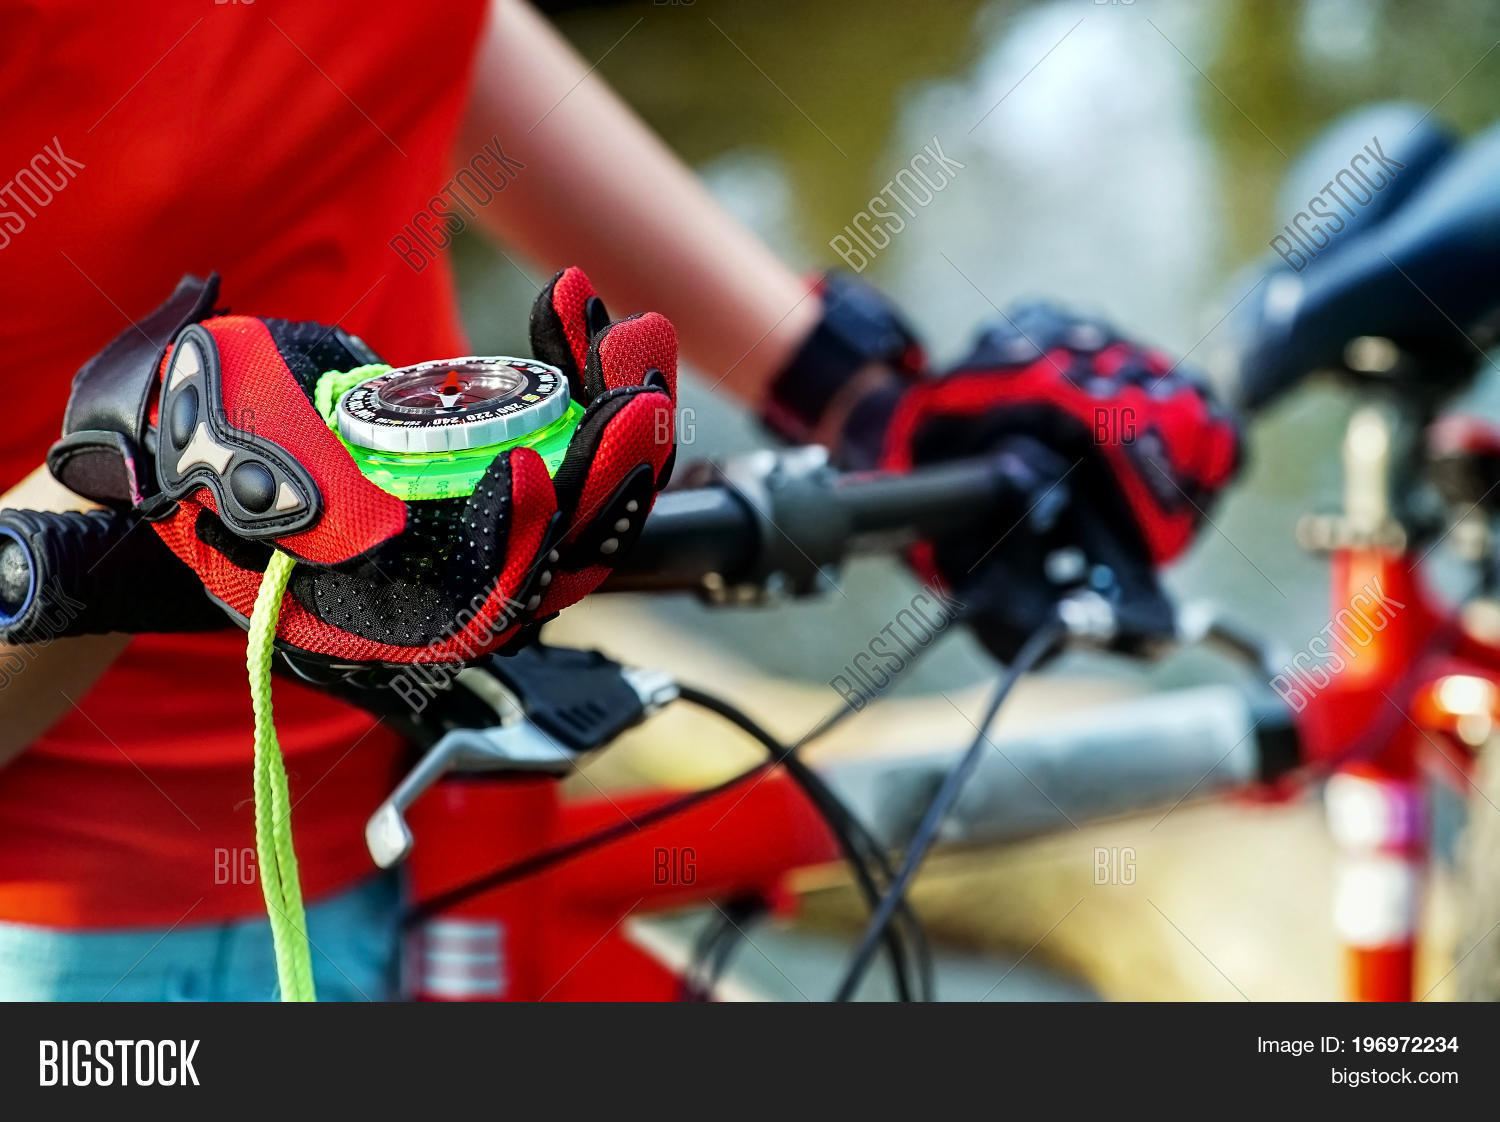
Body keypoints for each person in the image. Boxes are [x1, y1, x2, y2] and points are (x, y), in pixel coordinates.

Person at [0, 0, 1236, 1000]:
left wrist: (849, 393)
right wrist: (125, 491)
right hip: (105, 942)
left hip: (447, 777)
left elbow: (406, 33)